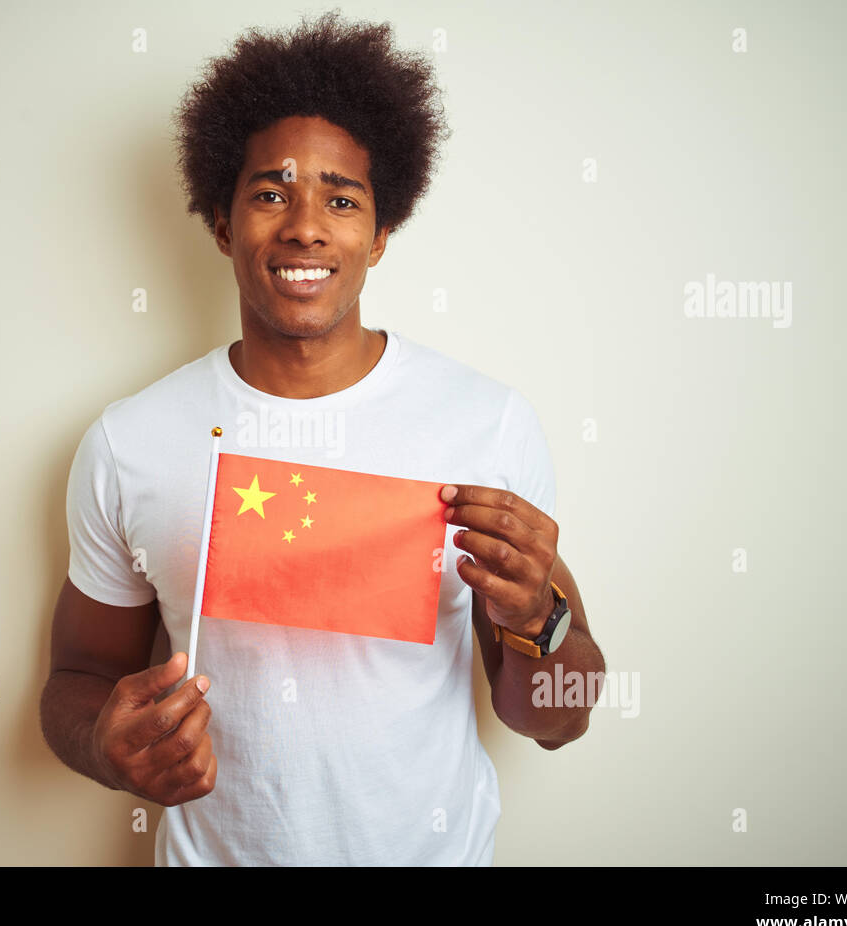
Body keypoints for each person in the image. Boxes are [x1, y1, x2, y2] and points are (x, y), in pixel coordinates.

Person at [40, 9, 605, 866]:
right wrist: (103, 746)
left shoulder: (484, 423)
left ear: (380, 236)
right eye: (271, 192)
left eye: (341, 199)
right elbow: (75, 680)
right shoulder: (131, 442)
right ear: (222, 224)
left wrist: (541, 619)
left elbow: (560, 719)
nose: (305, 225)